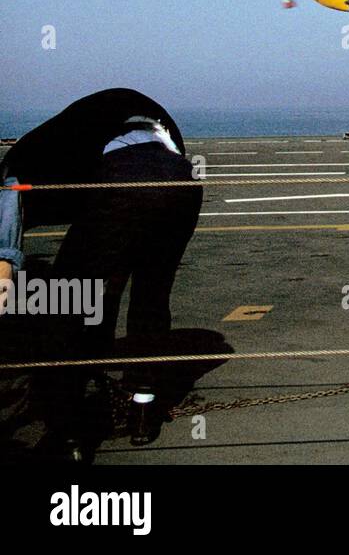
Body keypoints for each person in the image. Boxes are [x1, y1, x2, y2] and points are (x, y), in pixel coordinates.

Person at [0, 88, 203, 459]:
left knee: (68, 296)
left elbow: (11, 193)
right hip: (181, 183)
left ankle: (68, 426)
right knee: (152, 296)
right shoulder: (133, 121)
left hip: (124, 180)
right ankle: (143, 409)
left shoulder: (25, 157)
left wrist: (6, 266)